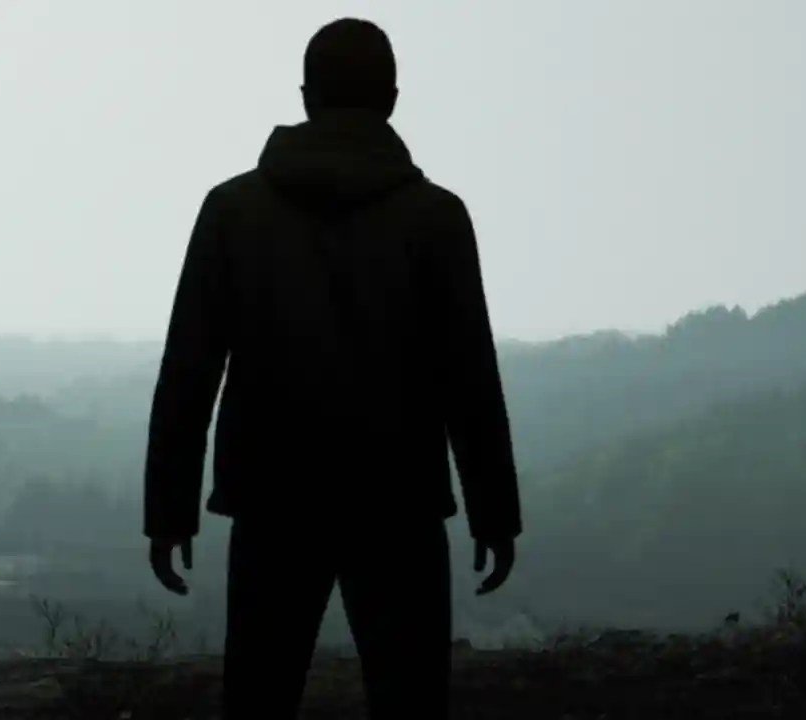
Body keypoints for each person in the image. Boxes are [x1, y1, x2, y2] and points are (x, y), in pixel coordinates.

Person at [141, 17, 522, 719]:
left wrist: (169, 510)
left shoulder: (232, 211)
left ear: (306, 95)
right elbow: (470, 378)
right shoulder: (436, 218)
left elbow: (189, 371)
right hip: (398, 501)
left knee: (259, 697)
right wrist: (494, 514)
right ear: (394, 99)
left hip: (272, 496)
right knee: (410, 702)